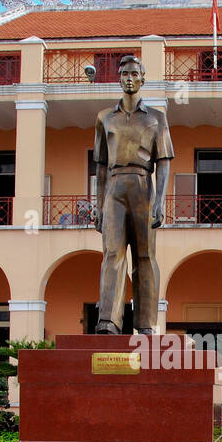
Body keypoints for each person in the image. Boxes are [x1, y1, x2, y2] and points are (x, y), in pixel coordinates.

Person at [92, 54, 174, 335]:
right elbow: (100, 166)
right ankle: (108, 321)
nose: (129, 78)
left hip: (142, 185)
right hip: (114, 186)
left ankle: (146, 323)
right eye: (124, 73)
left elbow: (163, 161)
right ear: (119, 78)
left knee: (145, 256)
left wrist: (160, 200)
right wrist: (99, 204)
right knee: (112, 253)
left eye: (133, 74)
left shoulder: (156, 118)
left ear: (142, 79)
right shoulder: (105, 118)